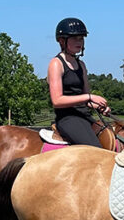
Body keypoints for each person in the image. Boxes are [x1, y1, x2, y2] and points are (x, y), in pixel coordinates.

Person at [47, 18, 111, 146]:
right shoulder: (56, 64)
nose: (79, 42)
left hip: (84, 116)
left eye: (81, 38)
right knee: (95, 149)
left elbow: (86, 100)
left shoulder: (81, 65)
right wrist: (89, 97)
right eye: (75, 38)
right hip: (68, 119)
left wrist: (99, 106)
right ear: (61, 41)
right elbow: (57, 100)